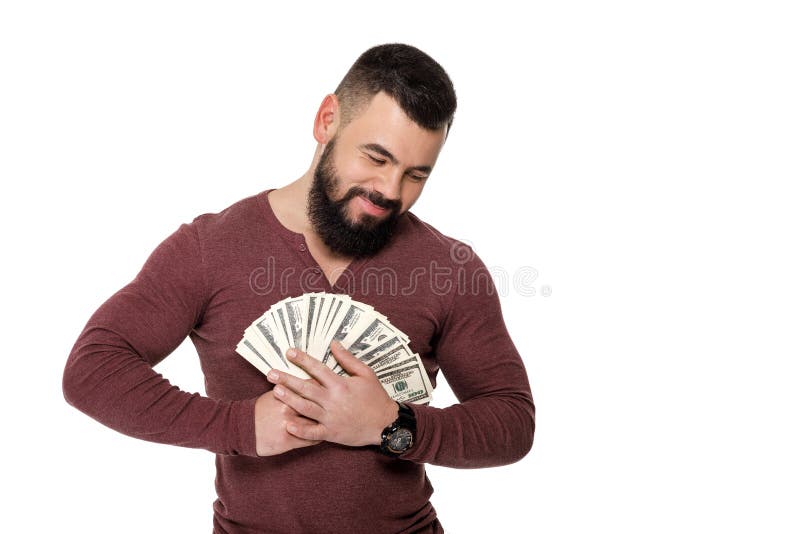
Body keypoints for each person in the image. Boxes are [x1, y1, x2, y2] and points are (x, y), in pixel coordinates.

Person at [63, 43, 535, 533]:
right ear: (327, 120)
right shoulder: (209, 248)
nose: (390, 191)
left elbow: (512, 422)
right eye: (376, 157)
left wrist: (393, 426)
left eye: (416, 175)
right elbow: (93, 369)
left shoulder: (449, 267)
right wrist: (243, 427)